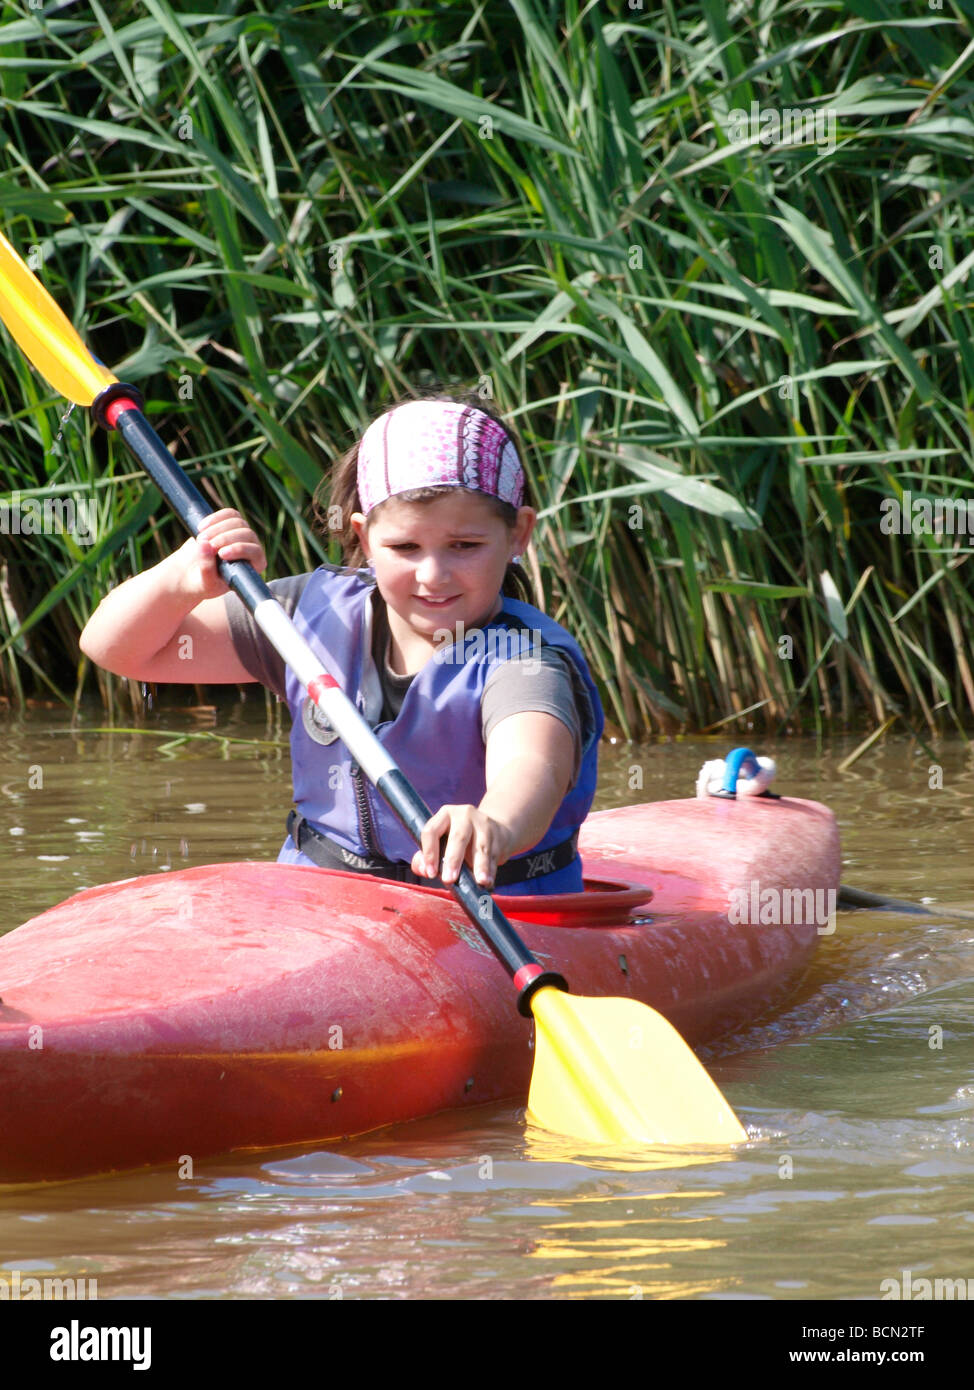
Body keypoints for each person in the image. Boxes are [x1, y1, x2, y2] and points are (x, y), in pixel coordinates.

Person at [80, 395, 603, 894]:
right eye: (405, 546)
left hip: (490, 911)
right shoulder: (305, 618)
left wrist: (494, 824)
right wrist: (180, 582)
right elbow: (118, 651)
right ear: (363, 536)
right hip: (325, 899)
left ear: (518, 535)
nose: (433, 574)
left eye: (464, 546)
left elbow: (534, 765)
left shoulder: (527, 663)